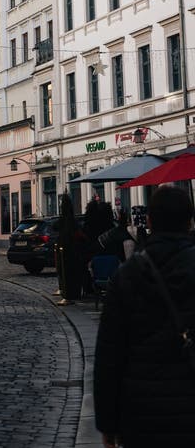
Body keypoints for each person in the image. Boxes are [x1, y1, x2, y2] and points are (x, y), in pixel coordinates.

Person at [94, 186, 195, 448]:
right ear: (190, 221)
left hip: (141, 415)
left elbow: (108, 356)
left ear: (149, 221)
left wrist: (107, 423)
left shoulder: (127, 275)